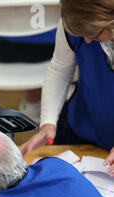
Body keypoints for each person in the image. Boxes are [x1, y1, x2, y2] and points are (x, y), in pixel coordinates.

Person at [20, 0, 114, 177]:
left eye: (93, 33)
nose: (86, 40)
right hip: (84, 124)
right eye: (81, 33)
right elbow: (59, 70)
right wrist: (48, 122)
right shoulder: (74, 23)